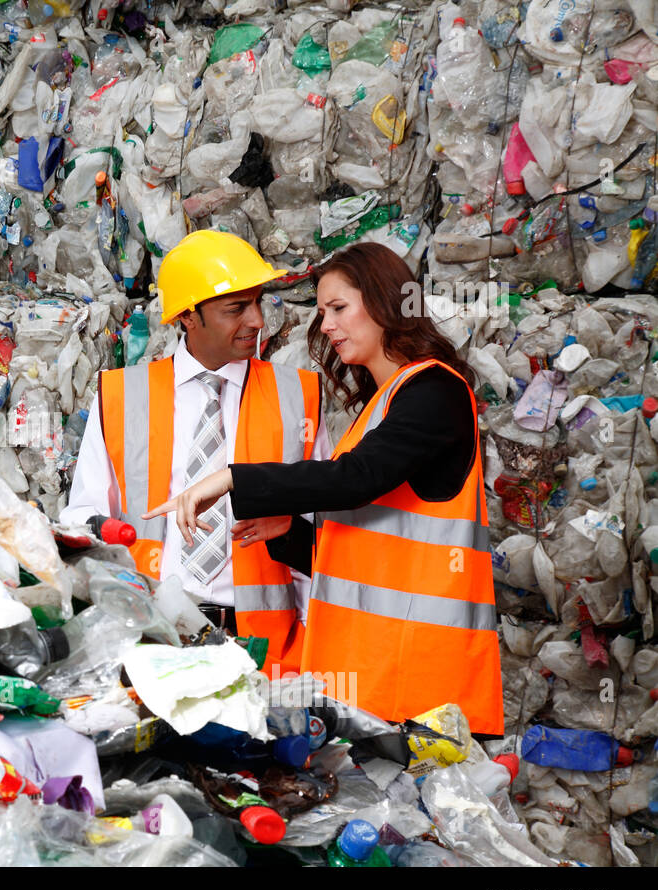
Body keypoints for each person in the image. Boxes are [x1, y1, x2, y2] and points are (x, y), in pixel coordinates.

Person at [143, 242, 504, 735]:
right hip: (375, 682)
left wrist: (233, 477)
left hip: (425, 689)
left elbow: (355, 481)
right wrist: (288, 532)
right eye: (322, 312)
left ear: (383, 302)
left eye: (338, 308)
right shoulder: (381, 408)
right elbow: (362, 553)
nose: (327, 325)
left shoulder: (434, 393)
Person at [61, 230, 330, 670]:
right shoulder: (122, 396)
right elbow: (85, 520)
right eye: (236, 308)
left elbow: (319, 530)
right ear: (188, 316)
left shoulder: (298, 396)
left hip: (271, 650)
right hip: (152, 636)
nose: (258, 320)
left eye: (258, 302)